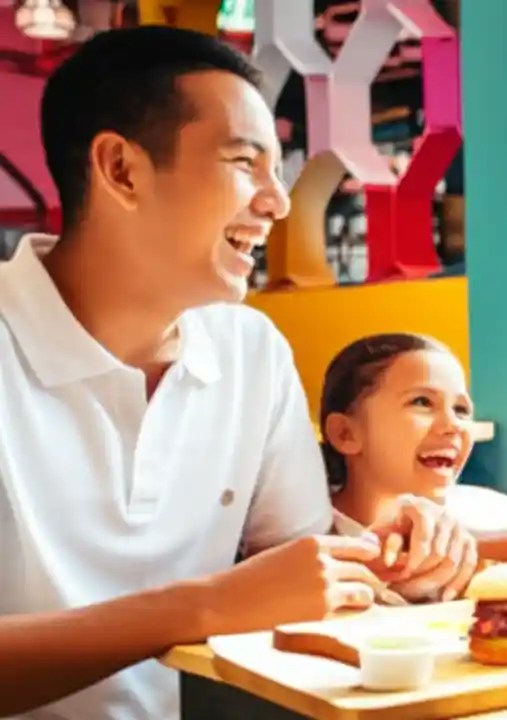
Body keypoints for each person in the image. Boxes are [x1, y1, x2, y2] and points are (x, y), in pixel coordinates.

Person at [0, 28, 438, 719]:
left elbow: (305, 576)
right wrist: (202, 606)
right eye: (244, 163)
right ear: (120, 170)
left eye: (278, 171)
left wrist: (397, 561)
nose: (279, 202)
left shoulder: (249, 351)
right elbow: (232, 602)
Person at [320, 333, 507, 590]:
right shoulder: (310, 540)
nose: (453, 425)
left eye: (460, 409)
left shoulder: (489, 514)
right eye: (421, 402)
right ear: (345, 434)